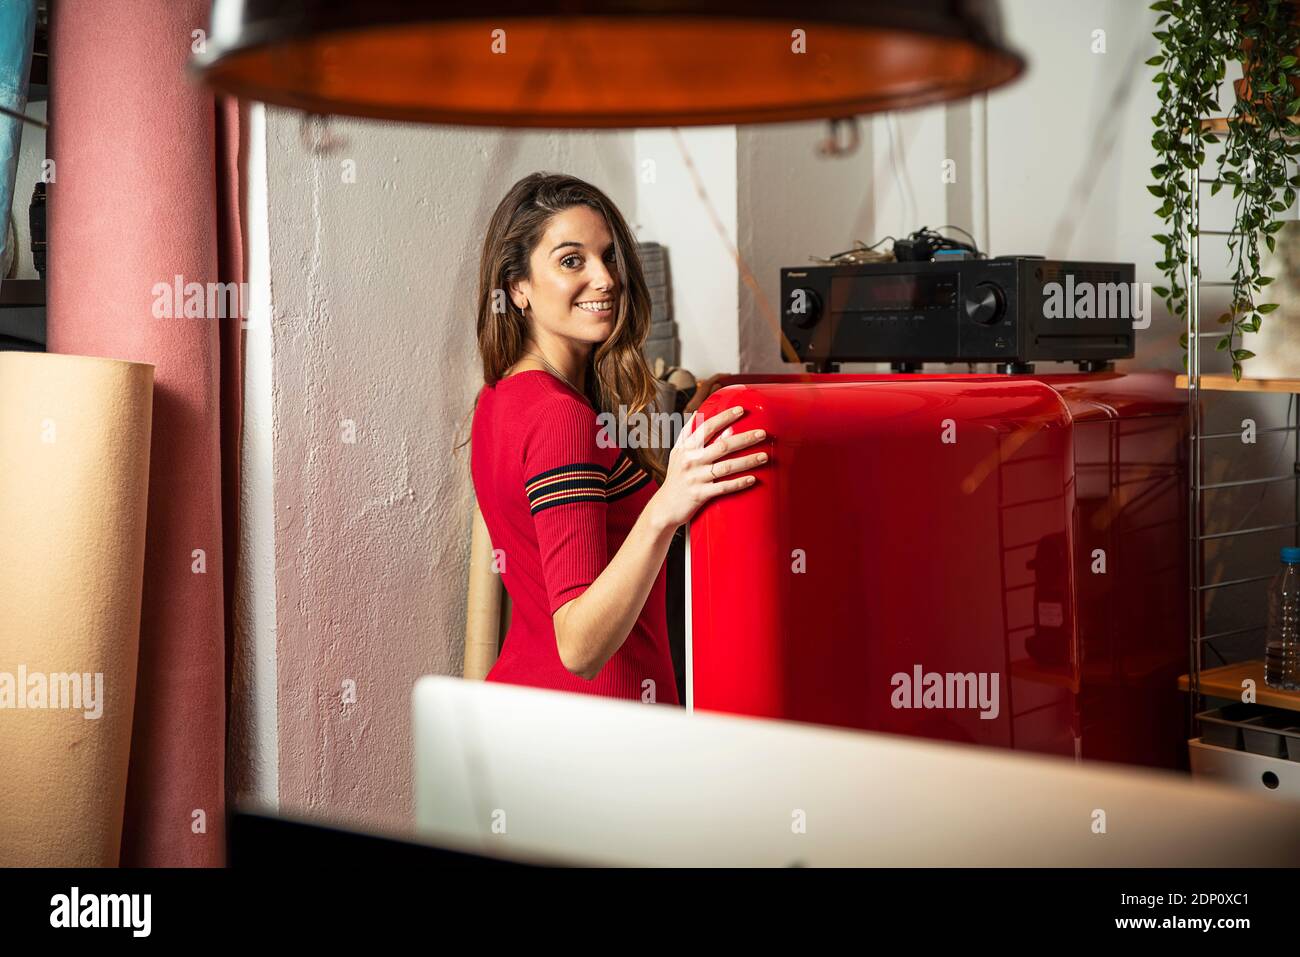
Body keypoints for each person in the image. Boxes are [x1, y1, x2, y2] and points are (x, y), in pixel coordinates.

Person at [468, 172, 768, 703]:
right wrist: (665, 508)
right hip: (600, 728)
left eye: (608, 257)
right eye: (570, 260)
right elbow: (580, 648)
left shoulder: (497, 398)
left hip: (526, 705)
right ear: (517, 287)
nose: (604, 279)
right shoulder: (562, 419)